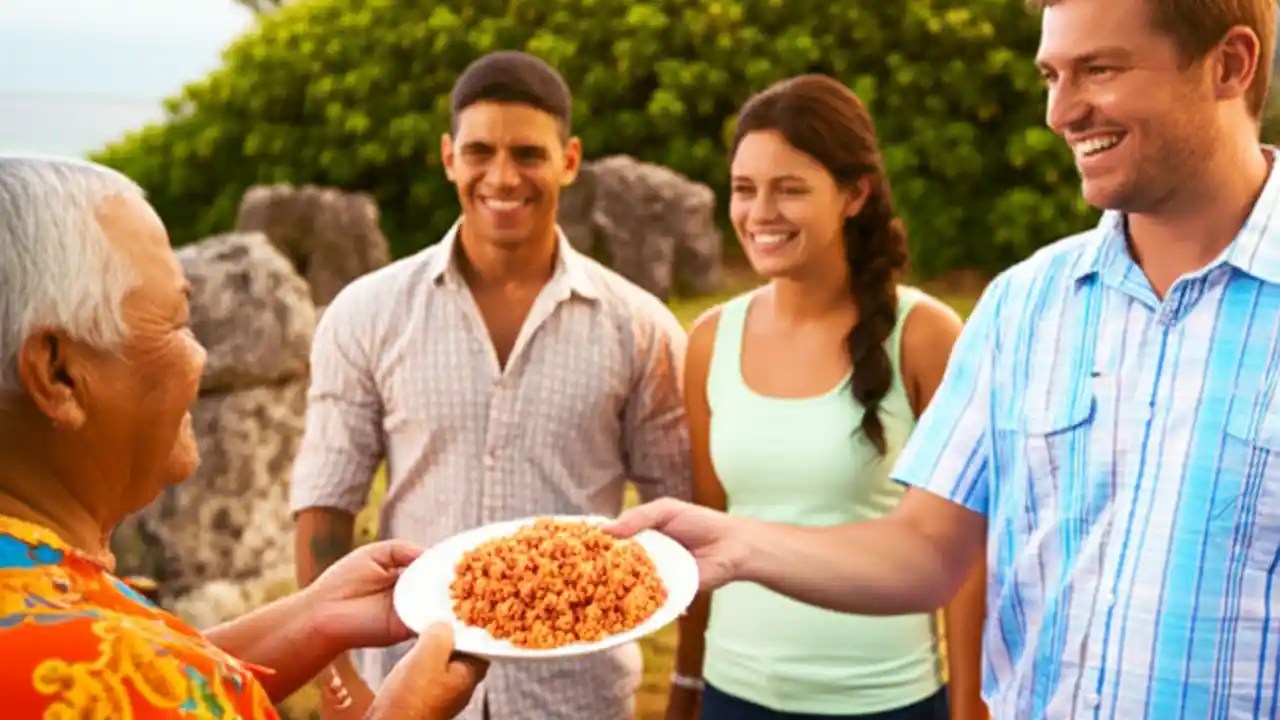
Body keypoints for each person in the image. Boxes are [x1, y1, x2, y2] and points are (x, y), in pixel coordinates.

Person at [610, 0, 1280, 718]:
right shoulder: (1022, 307)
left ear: (1230, 64)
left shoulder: (933, 326)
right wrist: (737, 546)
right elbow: (929, 553)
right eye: (1052, 75)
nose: (1061, 111)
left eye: (1100, 69)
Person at [0, 155, 488, 718]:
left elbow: (158, 677)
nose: (203, 357)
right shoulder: (130, 673)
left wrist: (315, 615)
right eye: (179, 323)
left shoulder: (71, 619)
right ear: (59, 375)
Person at [288, 50, 692, 720]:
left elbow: (678, 520)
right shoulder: (367, 313)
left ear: (569, 159)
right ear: (449, 156)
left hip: (577, 697)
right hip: (407, 686)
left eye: (528, 154)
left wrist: (688, 683)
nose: (502, 176)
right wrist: (339, 688)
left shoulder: (638, 328)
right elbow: (324, 512)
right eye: (479, 151)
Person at [662, 74, 987, 720]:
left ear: (854, 194)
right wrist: (688, 685)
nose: (760, 214)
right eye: (745, 190)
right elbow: (707, 534)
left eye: (789, 190)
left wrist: (969, 709)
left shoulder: (924, 338)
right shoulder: (709, 342)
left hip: (885, 700)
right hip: (736, 696)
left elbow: (968, 558)